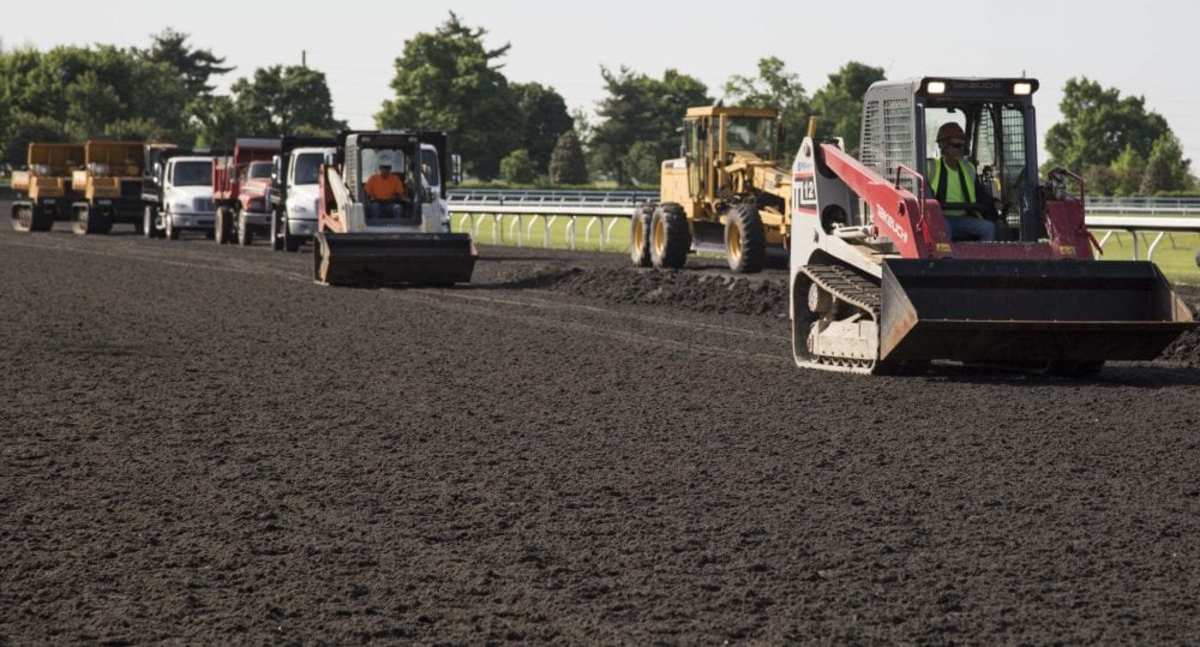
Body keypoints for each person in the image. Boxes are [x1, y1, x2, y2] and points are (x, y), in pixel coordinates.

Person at [927, 122, 996, 241]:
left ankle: (980, 259)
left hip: (963, 217)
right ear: (943, 146)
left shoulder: (969, 168)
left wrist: (994, 202)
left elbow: (980, 193)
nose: (960, 150)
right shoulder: (930, 168)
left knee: (988, 228)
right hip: (940, 218)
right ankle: (946, 259)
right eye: (956, 145)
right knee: (944, 230)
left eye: (962, 146)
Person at [364, 153, 409, 219]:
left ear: (390, 168)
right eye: (384, 167)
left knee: (397, 208)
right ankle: (376, 228)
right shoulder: (373, 179)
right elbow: (366, 192)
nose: (385, 170)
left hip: (390, 203)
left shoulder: (395, 179)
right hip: (377, 203)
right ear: (380, 168)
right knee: (374, 208)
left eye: (387, 168)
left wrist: (406, 199)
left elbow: (400, 194)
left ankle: (397, 227)